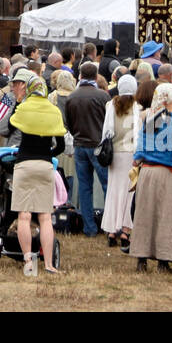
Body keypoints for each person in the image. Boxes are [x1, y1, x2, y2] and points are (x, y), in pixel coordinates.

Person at [131, 82, 172, 273]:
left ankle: (141, 260)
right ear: (168, 99)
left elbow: (140, 150)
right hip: (167, 174)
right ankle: (163, 260)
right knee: (166, 216)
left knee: (145, 215)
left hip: (147, 173)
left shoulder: (149, 118)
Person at [7, 77, 66, 272]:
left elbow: (10, 125)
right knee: (45, 216)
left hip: (24, 163)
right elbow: (61, 145)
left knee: (24, 215)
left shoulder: (24, 108)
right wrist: (48, 155)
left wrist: (19, 100)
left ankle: (28, 262)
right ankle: (48, 263)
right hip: (45, 165)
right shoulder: (54, 110)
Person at [67, 61, 110, 237]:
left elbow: (69, 124)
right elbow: (108, 122)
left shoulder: (72, 97)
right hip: (99, 146)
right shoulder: (103, 96)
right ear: (96, 75)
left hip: (80, 145)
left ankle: (89, 227)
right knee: (107, 185)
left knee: (85, 188)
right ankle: (110, 226)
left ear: (80, 76)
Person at [101, 76, 141, 250]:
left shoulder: (110, 106)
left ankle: (112, 230)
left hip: (114, 154)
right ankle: (125, 230)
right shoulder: (137, 108)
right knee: (129, 193)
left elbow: (106, 132)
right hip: (131, 153)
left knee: (113, 192)